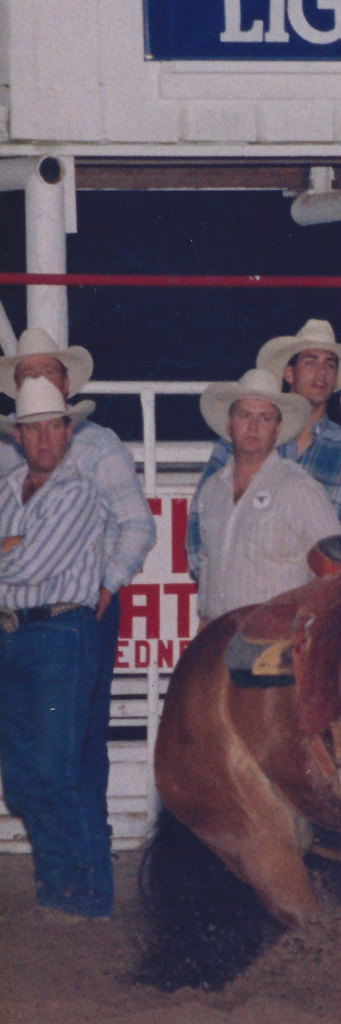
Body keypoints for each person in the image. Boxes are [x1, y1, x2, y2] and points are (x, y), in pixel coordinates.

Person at [1, 328, 156, 873]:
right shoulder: (12, 451)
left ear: (66, 382)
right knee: (46, 749)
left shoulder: (98, 444)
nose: (39, 379)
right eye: (28, 374)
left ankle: (90, 863)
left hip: (81, 606)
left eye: (48, 372)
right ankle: (74, 865)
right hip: (23, 615)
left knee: (81, 738)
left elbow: (136, 523)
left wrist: (105, 585)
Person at [0, 377, 115, 918]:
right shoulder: (8, 489)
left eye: (53, 426)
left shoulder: (77, 491)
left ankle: (89, 887)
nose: (44, 437)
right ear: (19, 435)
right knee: (24, 774)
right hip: (15, 636)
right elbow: (18, 562)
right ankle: (57, 882)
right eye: (33, 428)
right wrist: (12, 549)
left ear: (69, 431)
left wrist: (12, 550)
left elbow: (31, 565)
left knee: (53, 767)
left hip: (58, 637)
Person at [186, 319, 341, 572]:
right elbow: (203, 517)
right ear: (289, 373)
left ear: (336, 376)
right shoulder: (240, 440)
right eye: (310, 362)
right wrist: (215, 583)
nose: (321, 373)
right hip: (244, 587)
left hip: (316, 594)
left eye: (329, 365)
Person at [190, 369, 341, 623]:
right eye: (245, 415)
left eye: (265, 418)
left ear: (277, 428)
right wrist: (205, 619)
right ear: (229, 423)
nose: (253, 426)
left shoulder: (299, 488)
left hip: (277, 641)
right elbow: (207, 562)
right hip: (219, 636)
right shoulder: (212, 490)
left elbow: (336, 568)